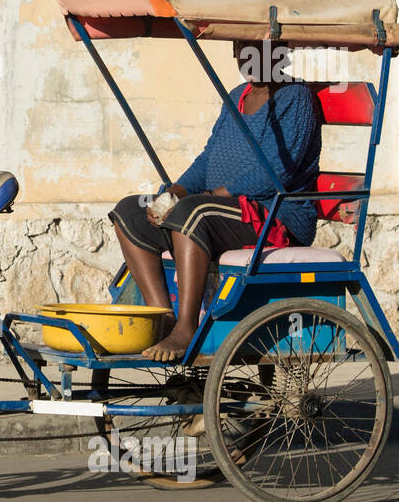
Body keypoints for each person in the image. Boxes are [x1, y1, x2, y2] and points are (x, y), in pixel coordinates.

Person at [108, 39, 321, 362]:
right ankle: (163, 314)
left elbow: (279, 172)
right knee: (130, 211)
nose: (249, 60)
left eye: (259, 51)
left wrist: (210, 196)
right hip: (225, 212)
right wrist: (177, 189)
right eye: (243, 51)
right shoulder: (236, 97)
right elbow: (209, 158)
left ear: (280, 54)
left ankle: (186, 328)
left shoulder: (296, 98)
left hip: (276, 216)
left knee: (194, 211)